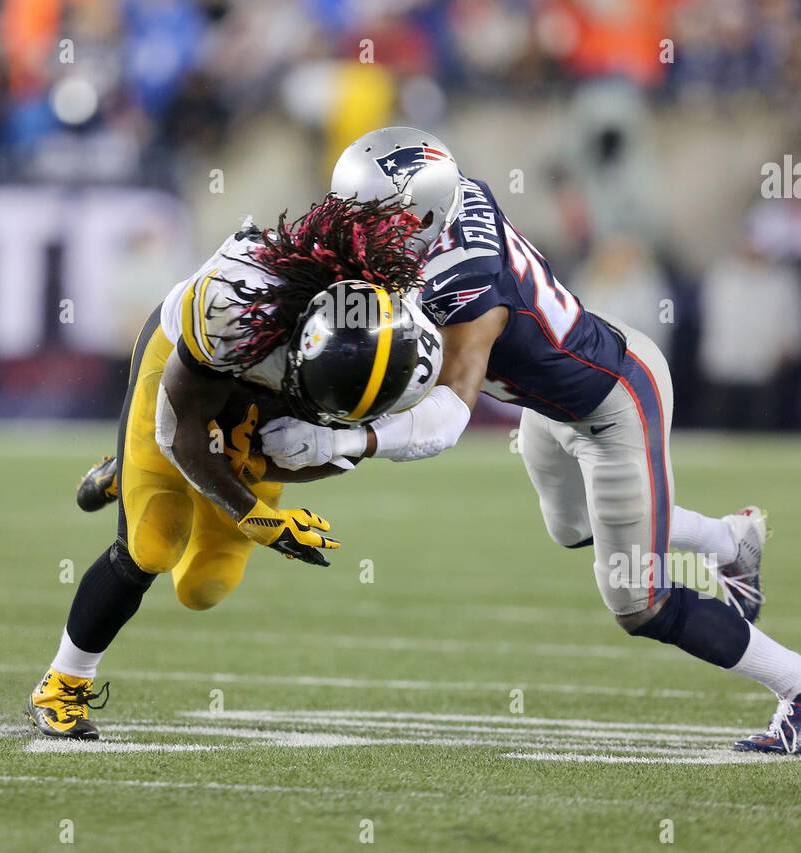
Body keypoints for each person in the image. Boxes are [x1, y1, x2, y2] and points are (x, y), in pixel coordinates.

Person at [261, 128, 801, 756]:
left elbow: (448, 417)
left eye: (372, 221)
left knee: (639, 601)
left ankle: (795, 684)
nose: (357, 235)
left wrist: (345, 443)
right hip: (549, 400)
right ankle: (728, 539)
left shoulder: (468, 282)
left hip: (614, 400)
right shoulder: (443, 209)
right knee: (571, 528)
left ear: (421, 213)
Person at [26, 195, 441, 740]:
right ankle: (62, 684)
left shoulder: (406, 353)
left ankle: (129, 473)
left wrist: (322, 444)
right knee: (154, 542)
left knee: (205, 585)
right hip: (185, 390)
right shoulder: (231, 311)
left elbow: (332, 454)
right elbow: (180, 433)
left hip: (263, 401)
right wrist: (260, 519)